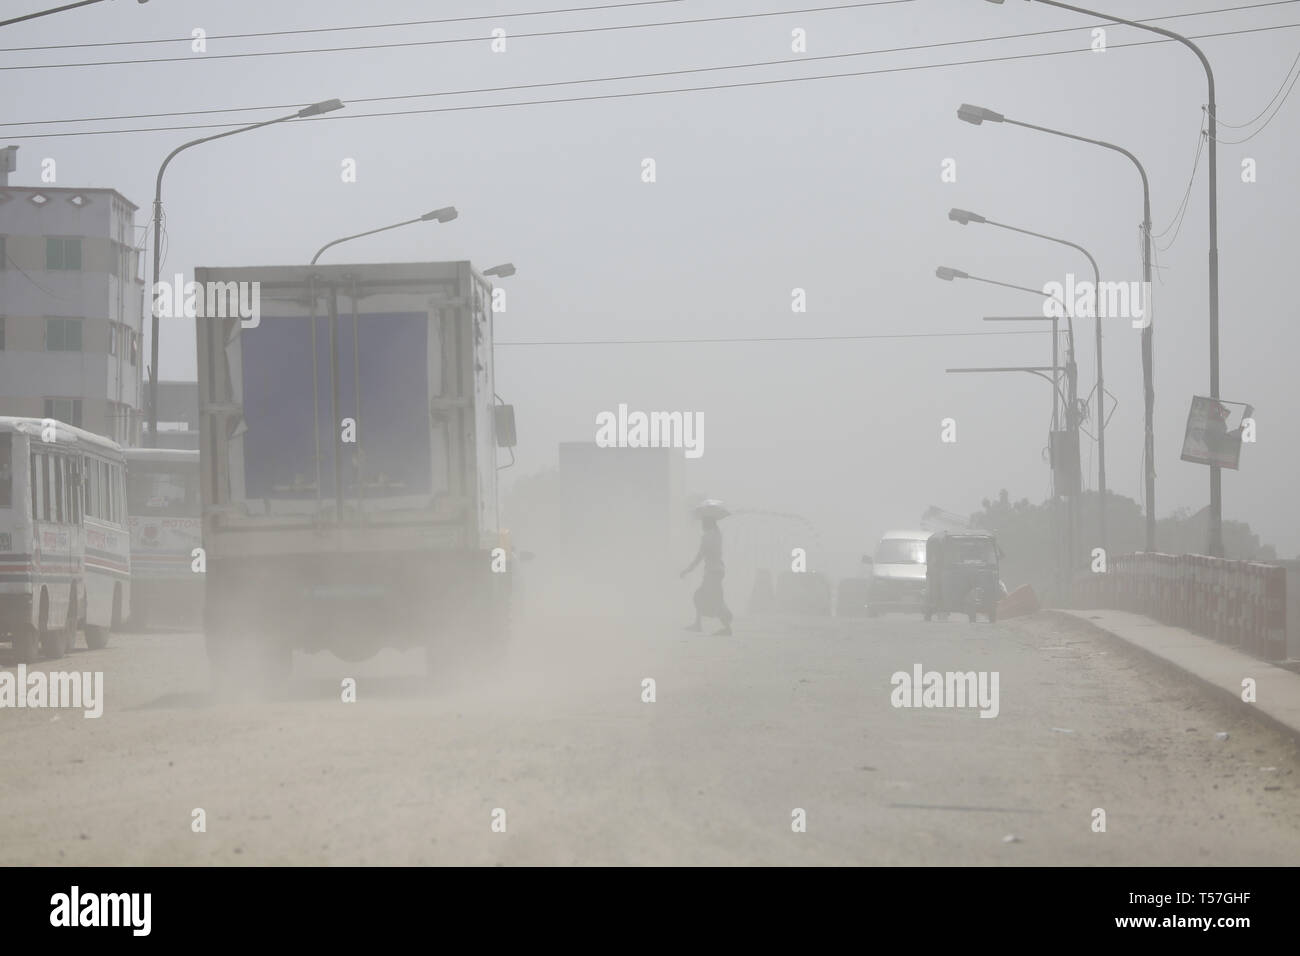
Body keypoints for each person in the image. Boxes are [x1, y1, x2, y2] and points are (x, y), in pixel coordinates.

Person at [681, 511, 733, 635]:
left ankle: (727, 626)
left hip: (712, 572)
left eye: (703, 523)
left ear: (707, 524)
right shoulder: (718, 534)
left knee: (711, 599)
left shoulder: (707, 537)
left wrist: (688, 569)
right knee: (701, 596)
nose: (701, 525)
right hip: (718, 570)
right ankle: (698, 624)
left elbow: (700, 555)